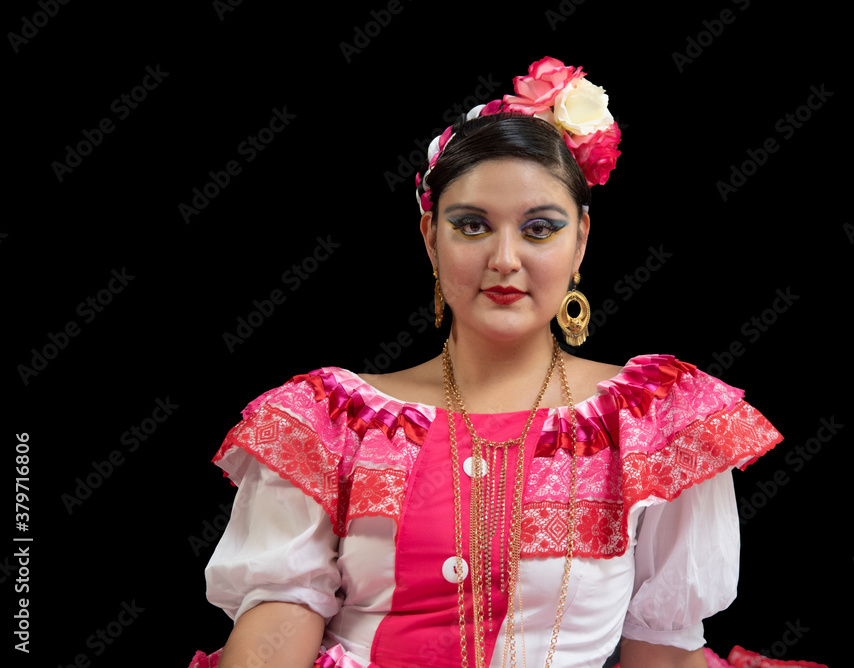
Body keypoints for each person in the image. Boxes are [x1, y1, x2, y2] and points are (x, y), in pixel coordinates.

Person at [189, 57, 788, 668]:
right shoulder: (328, 421)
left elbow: (659, 651)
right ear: (430, 238)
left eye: (539, 228)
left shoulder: (657, 421)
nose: (505, 258)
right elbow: (272, 638)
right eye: (472, 226)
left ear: (580, 240)